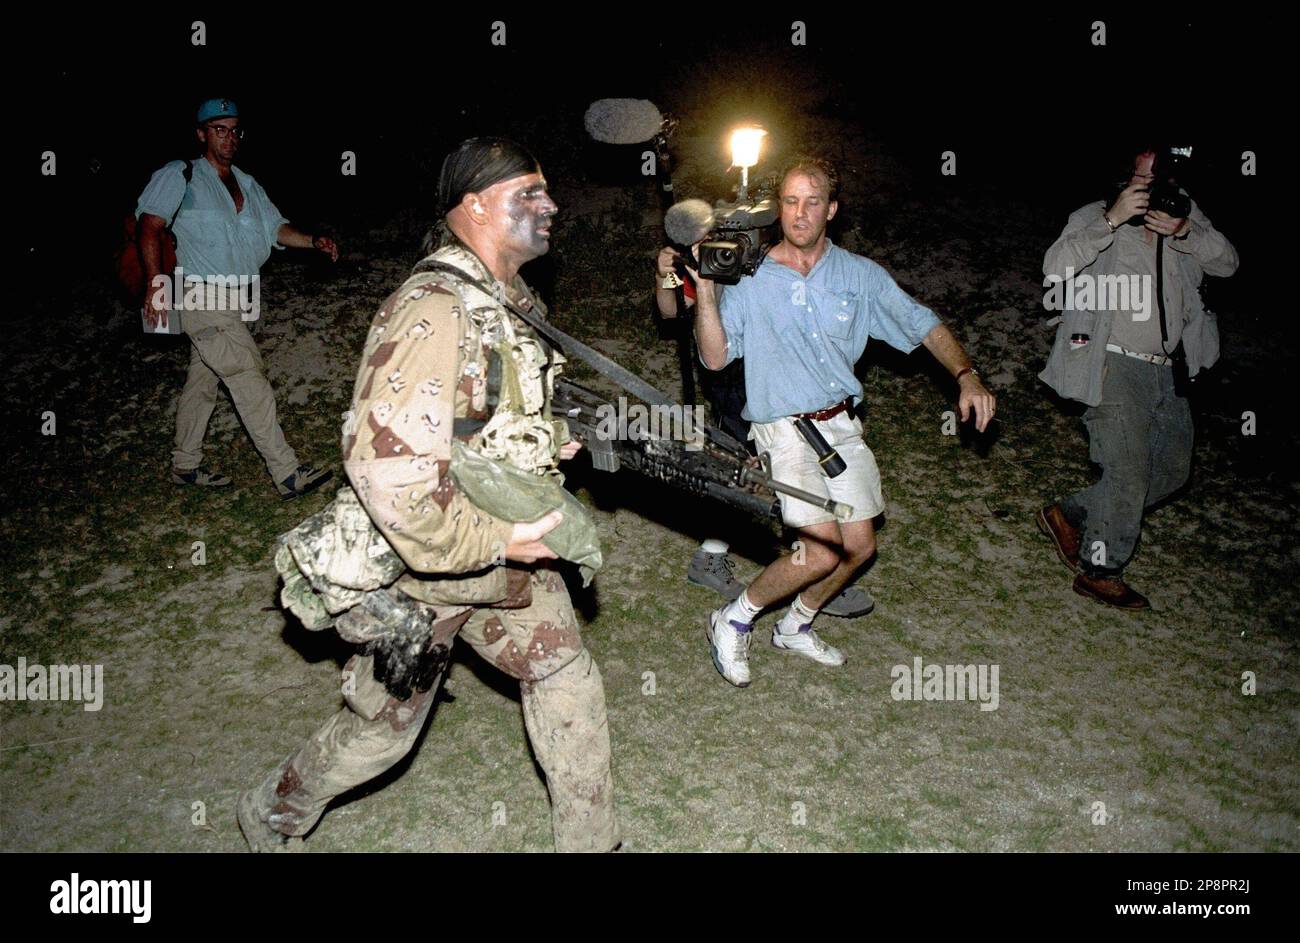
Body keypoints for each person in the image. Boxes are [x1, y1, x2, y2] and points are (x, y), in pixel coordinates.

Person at [237, 137, 620, 853]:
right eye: (528, 193)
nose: (551, 205)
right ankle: (271, 811)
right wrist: (498, 541)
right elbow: (390, 474)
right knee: (382, 733)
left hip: (499, 542)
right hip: (422, 561)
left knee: (566, 678)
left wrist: (547, 441)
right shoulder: (435, 308)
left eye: (547, 190)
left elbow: (488, 417)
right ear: (472, 205)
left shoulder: (508, 300)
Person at [692, 156, 995, 687]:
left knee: (859, 548)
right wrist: (709, 294)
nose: (799, 213)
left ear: (831, 209)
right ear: (777, 209)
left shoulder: (860, 276)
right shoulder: (752, 278)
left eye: (812, 202)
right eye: (789, 201)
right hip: (782, 428)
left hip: (839, 425)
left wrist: (967, 376)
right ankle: (733, 617)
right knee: (820, 549)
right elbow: (715, 359)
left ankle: (797, 624)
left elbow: (923, 325)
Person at [1036, 147, 1238, 609]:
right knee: (1128, 471)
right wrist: (1110, 220)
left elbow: (1227, 264)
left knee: (1170, 473)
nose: (1157, 190)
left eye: (1166, 181)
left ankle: (1069, 513)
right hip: (1111, 360)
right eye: (1146, 180)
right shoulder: (1095, 215)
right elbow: (1055, 268)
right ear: (1129, 179)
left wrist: (1187, 231)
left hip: (1170, 371)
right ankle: (1100, 570)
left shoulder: (1186, 218)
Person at [655, 246, 874, 619]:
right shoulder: (707, 248)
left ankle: (819, 570)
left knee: (807, 466)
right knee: (749, 470)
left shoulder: (781, 237)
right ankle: (716, 556)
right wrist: (665, 275)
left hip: (793, 373)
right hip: (737, 377)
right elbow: (672, 308)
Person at [136, 97, 335, 498]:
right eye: (218, 130)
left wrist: (312, 240)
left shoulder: (247, 183)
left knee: (203, 381)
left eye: (234, 130)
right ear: (201, 134)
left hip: (238, 297)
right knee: (247, 374)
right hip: (199, 295)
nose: (228, 138)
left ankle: (185, 463)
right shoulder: (182, 175)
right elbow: (150, 227)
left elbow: (276, 228)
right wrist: (156, 285)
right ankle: (287, 472)